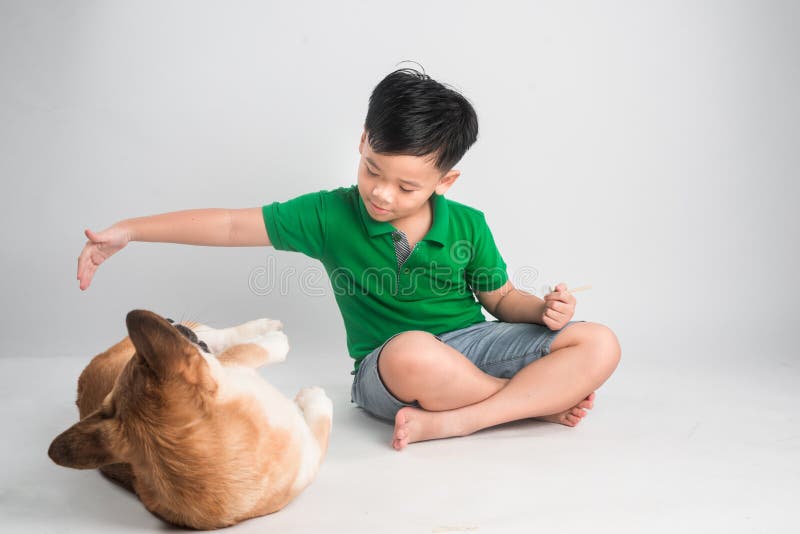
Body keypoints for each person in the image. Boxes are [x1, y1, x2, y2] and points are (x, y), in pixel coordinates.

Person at [77, 67, 621, 451]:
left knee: (599, 340)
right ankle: (532, 405)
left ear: (445, 180)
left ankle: (472, 417)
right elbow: (228, 224)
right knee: (414, 351)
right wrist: (131, 230)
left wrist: (543, 311)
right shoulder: (329, 215)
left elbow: (499, 300)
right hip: (391, 369)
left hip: (473, 349)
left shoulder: (467, 224)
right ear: (363, 141)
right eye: (371, 170)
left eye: (407, 187)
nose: (382, 194)